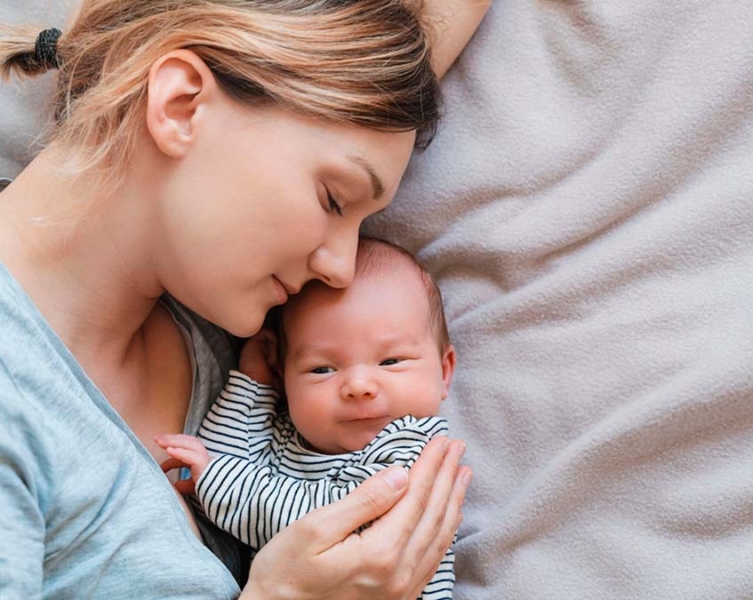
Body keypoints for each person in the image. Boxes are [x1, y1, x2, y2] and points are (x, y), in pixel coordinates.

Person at [0, 1, 490, 598]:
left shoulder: (200, 292)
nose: (341, 271)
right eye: (334, 201)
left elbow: (379, 72)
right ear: (181, 107)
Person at [155, 237, 458, 599]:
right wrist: (252, 385)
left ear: (444, 371)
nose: (359, 385)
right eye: (322, 368)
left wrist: (219, 483)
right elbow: (222, 468)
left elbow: (325, 526)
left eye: (390, 361)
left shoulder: (413, 444)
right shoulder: (287, 433)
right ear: (285, 378)